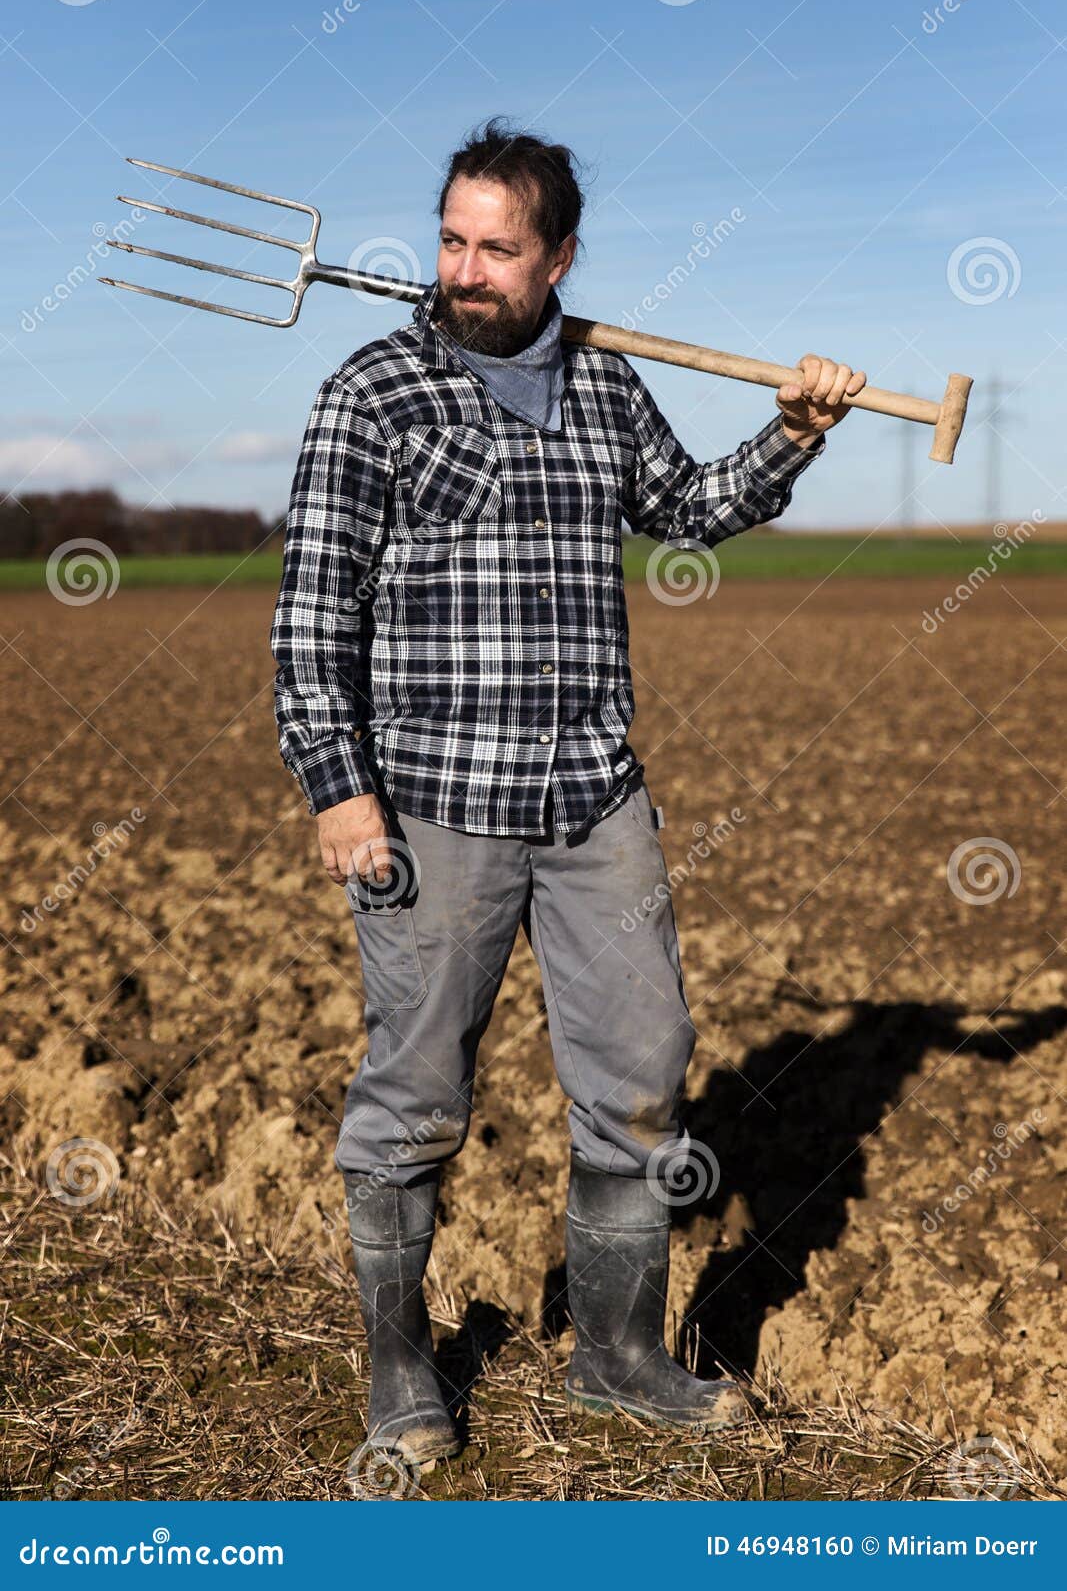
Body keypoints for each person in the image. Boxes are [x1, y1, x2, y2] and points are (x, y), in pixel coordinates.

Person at [269, 116, 865, 1467]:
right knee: (415, 1094)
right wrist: (337, 789)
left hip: (596, 798)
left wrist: (795, 430)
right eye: (452, 241)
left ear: (559, 258)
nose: (467, 270)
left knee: (644, 1073)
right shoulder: (375, 391)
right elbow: (313, 617)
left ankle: (617, 1356)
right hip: (432, 804)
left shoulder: (606, 391)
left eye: (500, 248)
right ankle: (402, 1369)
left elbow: (695, 507)